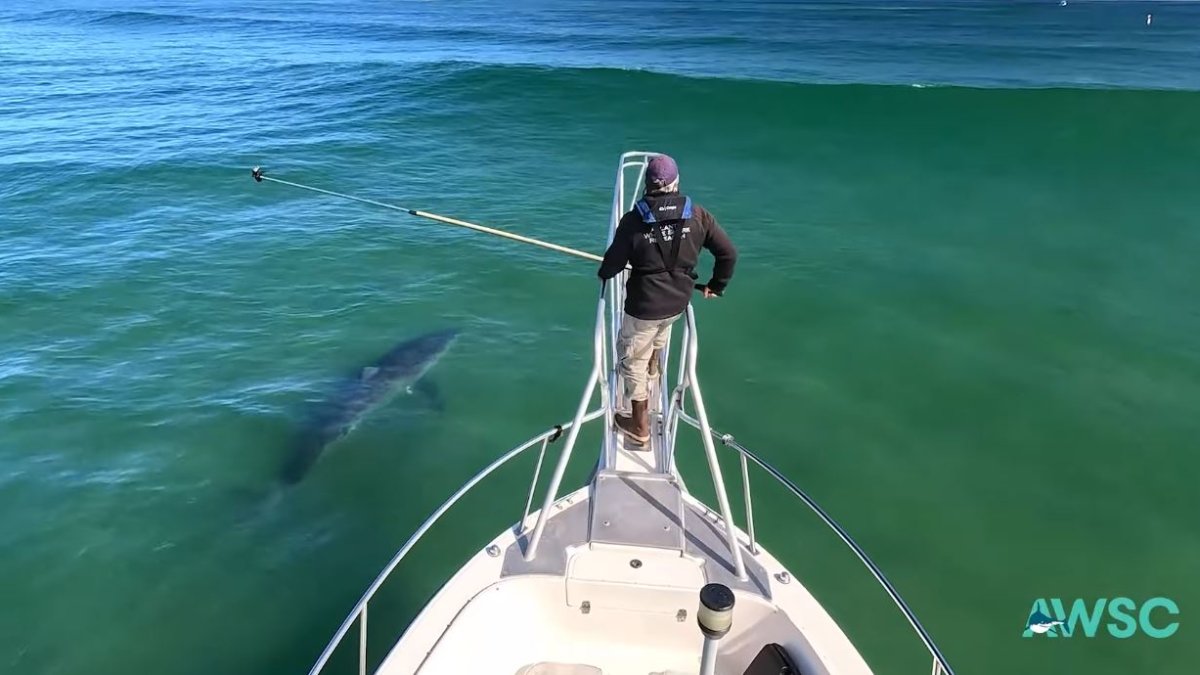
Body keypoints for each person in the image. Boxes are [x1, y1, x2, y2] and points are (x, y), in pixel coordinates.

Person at [597, 154, 737, 445]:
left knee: (632, 359)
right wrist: (716, 285)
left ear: (648, 185)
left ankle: (639, 426)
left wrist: (605, 270)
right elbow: (728, 253)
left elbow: (611, 267)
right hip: (678, 303)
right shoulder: (698, 215)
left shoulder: (633, 221)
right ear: (676, 184)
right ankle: (653, 369)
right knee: (659, 335)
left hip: (644, 307)